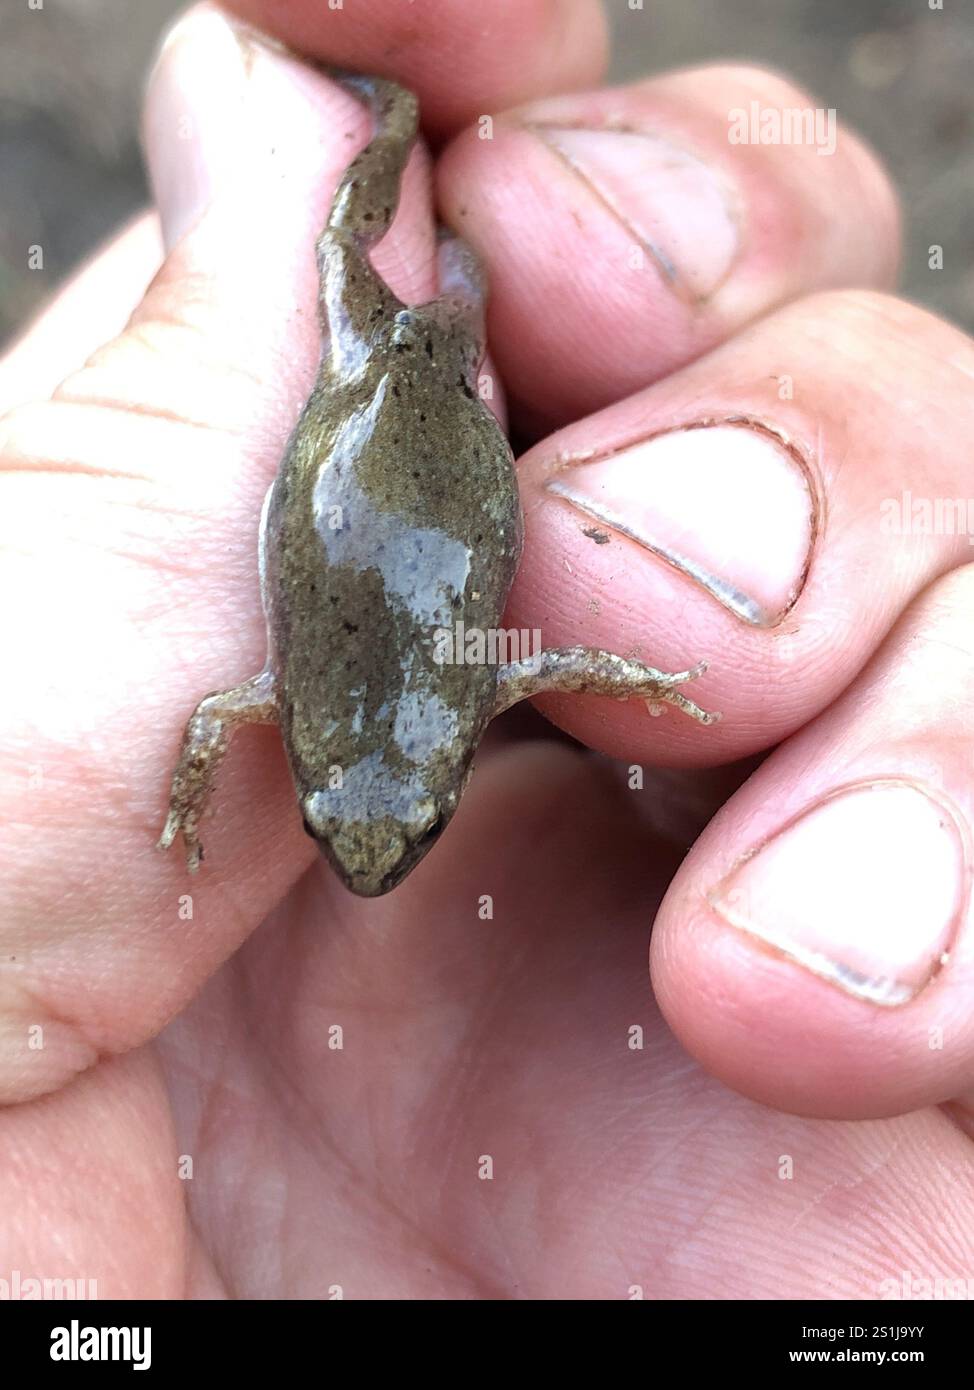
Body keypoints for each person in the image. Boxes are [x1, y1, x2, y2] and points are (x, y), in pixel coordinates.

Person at [1, 0, 971, 1299]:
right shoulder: (388, 682)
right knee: (449, 258)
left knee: (474, 262)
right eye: (363, 809)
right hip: (381, 381)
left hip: (414, 384)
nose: (365, 857)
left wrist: (640, 671)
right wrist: (645, 675)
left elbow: (240, 713)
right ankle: (427, 142)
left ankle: (439, 148)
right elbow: (526, 671)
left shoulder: (417, 680)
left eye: (363, 808)